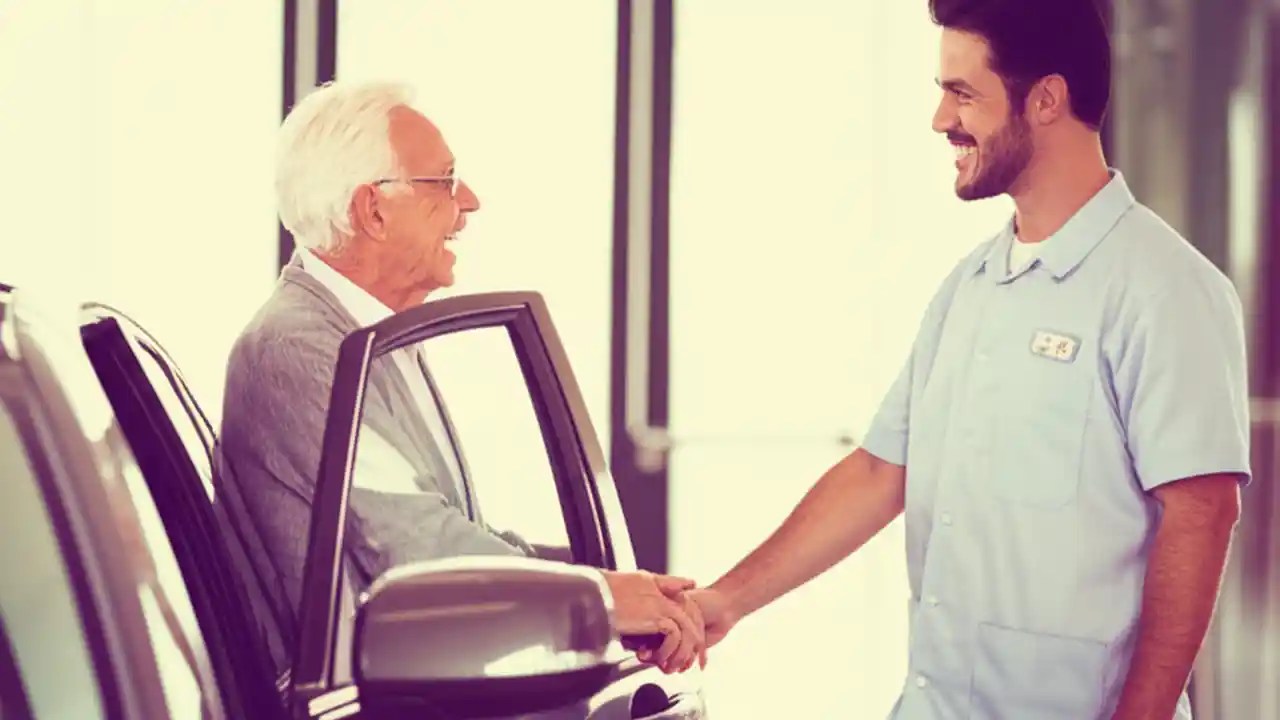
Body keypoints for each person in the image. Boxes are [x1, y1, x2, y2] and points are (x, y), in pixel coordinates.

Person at [680, 1, 1250, 718]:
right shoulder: (971, 286)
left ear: (1046, 99)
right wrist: (722, 602)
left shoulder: (1167, 289)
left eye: (963, 92)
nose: (940, 119)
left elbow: (1201, 514)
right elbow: (882, 472)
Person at [218, 81, 704, 682]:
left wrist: (616, 589)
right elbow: (418, 552)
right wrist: (599, 598)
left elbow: (449, 531)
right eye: (444, 182)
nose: (468, 202)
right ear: (373, 209)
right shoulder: (299, 349)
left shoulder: (367, 334)